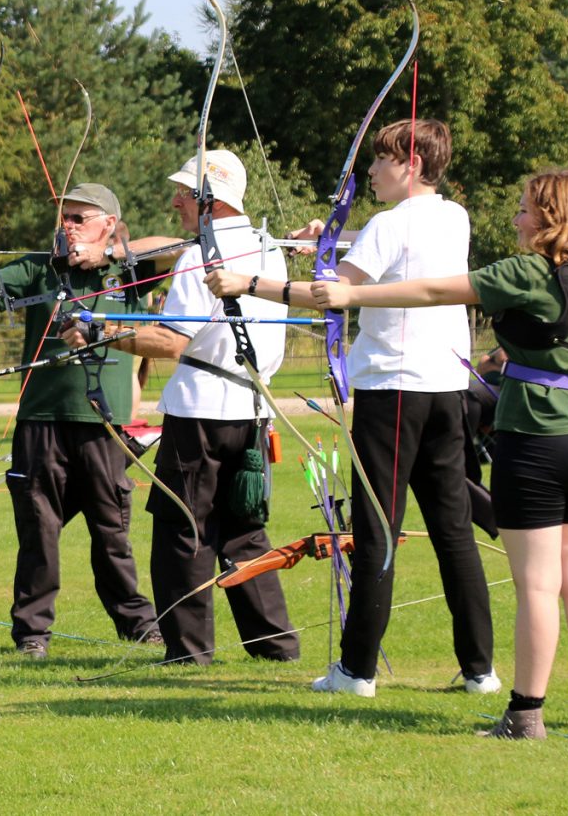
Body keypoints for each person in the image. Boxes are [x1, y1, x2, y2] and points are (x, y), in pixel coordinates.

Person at [307, 168, 568, 738]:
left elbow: (433, 290)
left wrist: (351, 294)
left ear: (550, 221)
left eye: (524, 209)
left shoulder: (525, 271)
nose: (516, 218)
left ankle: (525, 714)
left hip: (538, 438)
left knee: (539, 584)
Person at [205, 119, 498, 698]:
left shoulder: (388, 226)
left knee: (375, 532)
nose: (371, 171)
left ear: (410, 165)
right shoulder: (454, 215)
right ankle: (481, 671)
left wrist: (242, 281)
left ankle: (356, 672)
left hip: (393, 395)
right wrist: (336, 237)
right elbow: (401, 251)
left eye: (382, 161)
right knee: (453, 530)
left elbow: (329, 295)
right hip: (448, 391)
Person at [0, 183, 160, 659]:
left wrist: (109, 251)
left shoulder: (130, 268)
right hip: (41, 421)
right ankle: (32, 635)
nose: (67, 225)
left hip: (103, 423)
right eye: (65, 217)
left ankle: (138, 624)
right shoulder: (39, 267)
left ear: (107, 222)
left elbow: (181, 246)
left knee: (111, 533)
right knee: (38, 532)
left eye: (80, 218)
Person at [68, 151, 300, 664]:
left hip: (202, 414)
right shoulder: (269, 248)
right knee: (243, 532)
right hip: (251, 412)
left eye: (184, 192)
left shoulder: (203, 256)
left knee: (183, 531)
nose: (175, 201)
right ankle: (275, 646)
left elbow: (172, 341)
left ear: (208, 199)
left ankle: (189, 652)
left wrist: (99, 332)